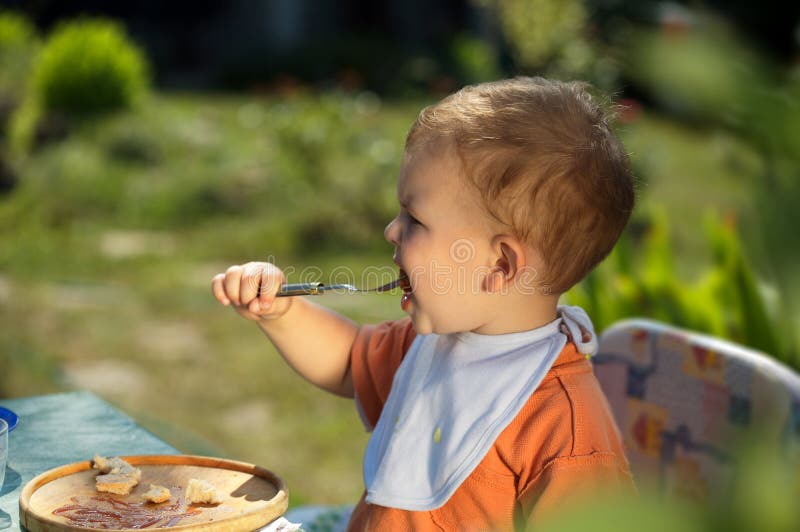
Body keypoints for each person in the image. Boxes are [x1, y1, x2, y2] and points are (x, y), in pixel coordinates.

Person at [212, 77, 636, 531]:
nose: (391, 231)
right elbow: (350, 362)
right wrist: (281, 312)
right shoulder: (436, 344)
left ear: (501, 265)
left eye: (414, 219)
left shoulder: (566, 434)